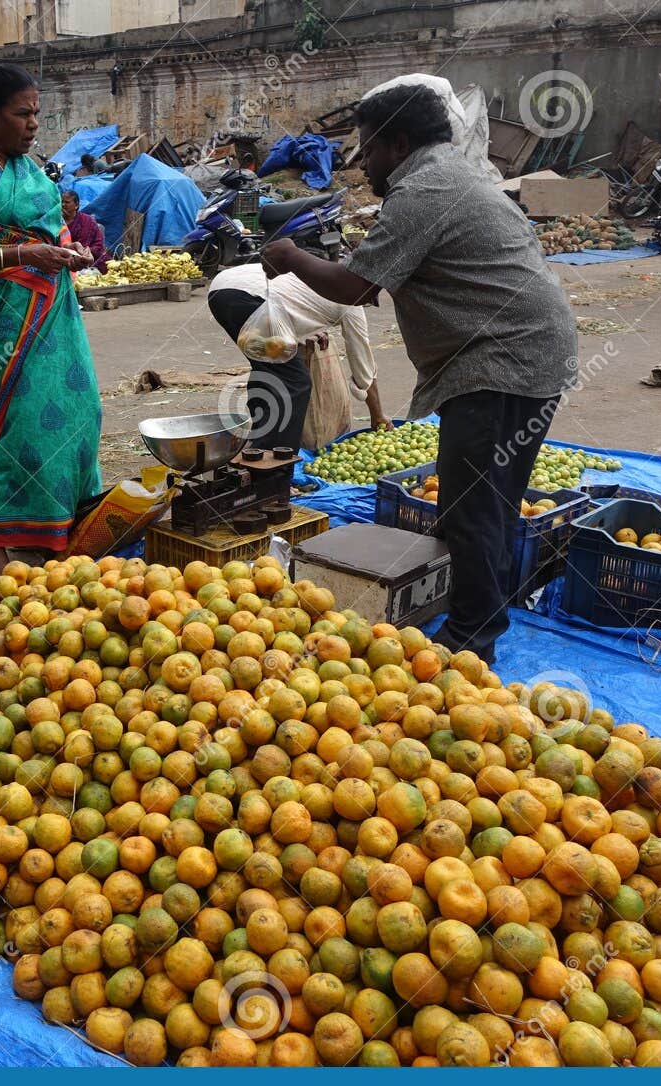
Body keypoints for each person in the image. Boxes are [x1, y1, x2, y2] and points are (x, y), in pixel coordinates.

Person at [263, 83, 576, 663]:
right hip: (530, 355)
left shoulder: (424, 187)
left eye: (370, 151)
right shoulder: (451, 176)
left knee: (470, 507)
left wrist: (290, 258)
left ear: (398, 143)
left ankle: (469, 641)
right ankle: (480, 613)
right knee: (490, 501)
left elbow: (356, 287)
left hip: (502, 361)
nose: (365, 167)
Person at [0, 64, 99, 579]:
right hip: (7, 316)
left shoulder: (32, 170)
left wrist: (66, 249)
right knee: (22, 425)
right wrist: (25, 255)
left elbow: (46, 230)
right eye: (21, 113)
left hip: (54, 308)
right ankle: (1, 546)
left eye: (37, 114)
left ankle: (60, 531)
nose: (33, 124)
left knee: (81, 411)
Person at [206, 262, 385, 448]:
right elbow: (363, 366)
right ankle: (273, 460)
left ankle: (259, 439)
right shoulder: (351, 304)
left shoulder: (326, 272)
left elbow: (294, 300)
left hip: (221, 290)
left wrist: (309, 331)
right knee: (294, 383)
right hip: (251, 298)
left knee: (270, 369)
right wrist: (377, 415)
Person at [60, 189, 108, 271]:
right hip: (62, 258)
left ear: (76, 205)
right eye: (62, 202)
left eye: (67, 202)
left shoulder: (86, 220)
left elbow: (89, 246)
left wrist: (85, 253)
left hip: (88, 260)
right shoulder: (57, 220)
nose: (63, 205)